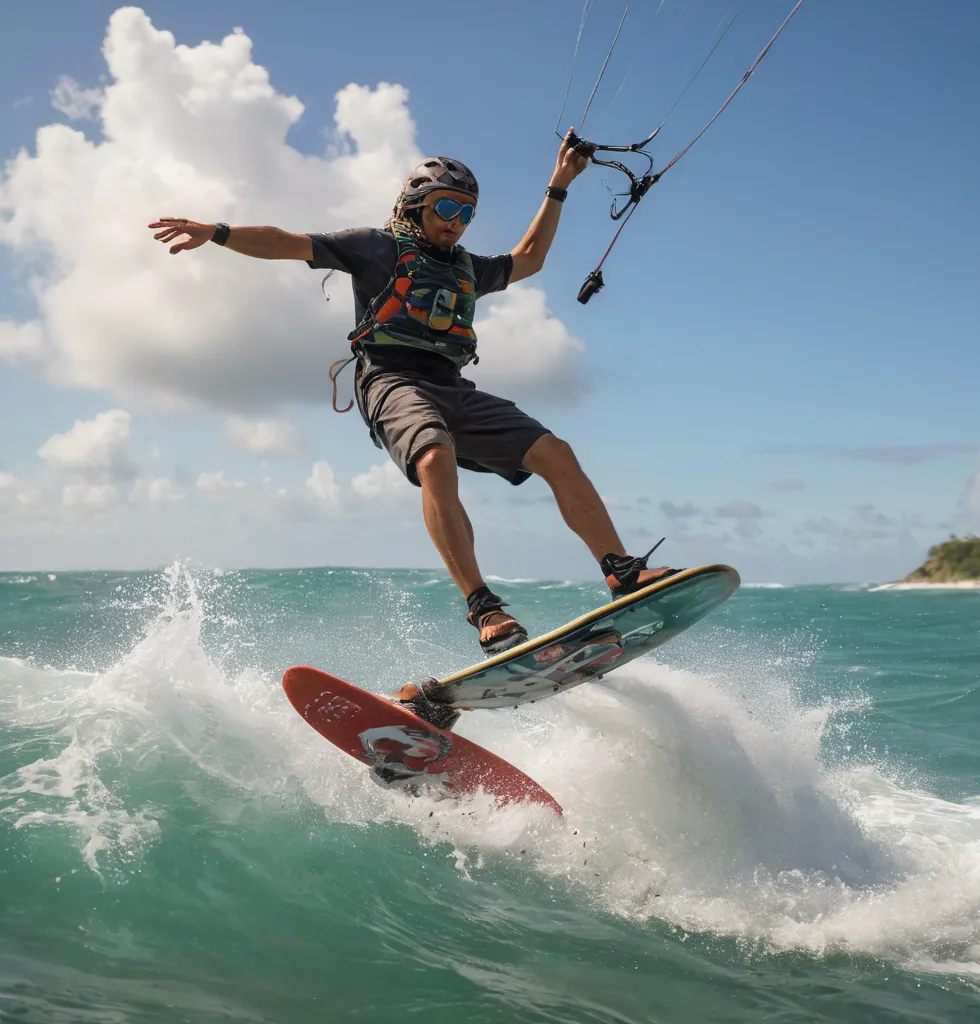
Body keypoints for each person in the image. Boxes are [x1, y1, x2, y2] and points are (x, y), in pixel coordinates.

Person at [149, 133, 677, 726]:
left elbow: (528, 258)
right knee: (434, 457)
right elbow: (286, 243)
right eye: (446, 208)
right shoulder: (373, 248)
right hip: (391, 379)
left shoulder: (467, 269)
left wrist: (559, 185)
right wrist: (217, 232)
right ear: (415, 206)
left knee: (555, 451)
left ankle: (621, 571)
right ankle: (484, 609)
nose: (456, 222)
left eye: (466, 213)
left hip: (454, 387)